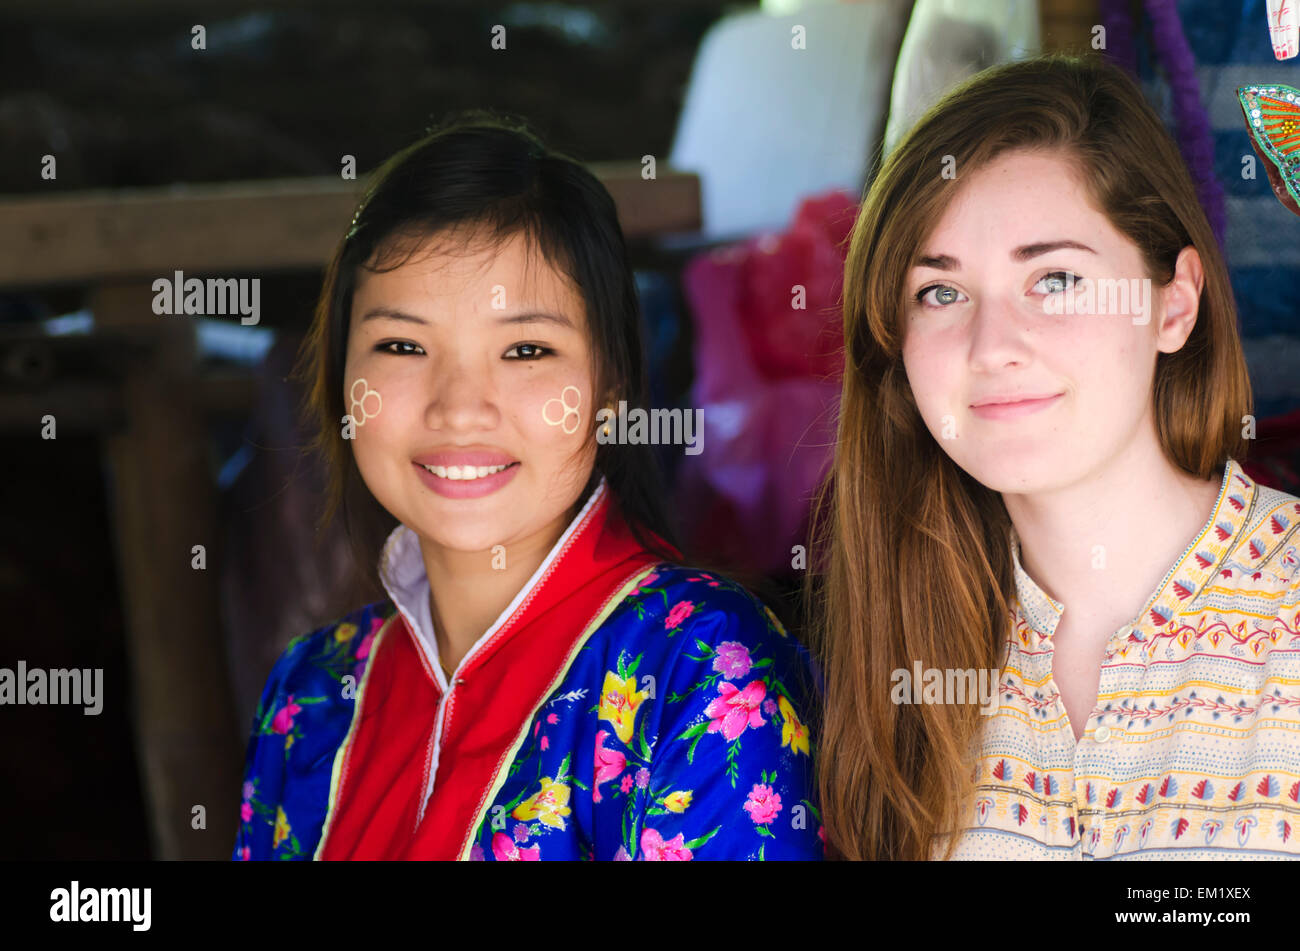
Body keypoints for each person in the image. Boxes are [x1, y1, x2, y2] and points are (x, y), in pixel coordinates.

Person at [233, 112, 822, 861]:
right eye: (403, 345)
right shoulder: (312, 691)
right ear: (343, 380)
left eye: (525, 349)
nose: (459, 405)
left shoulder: (701, 668)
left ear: (610, 386)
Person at [810, 54, 1300, 859]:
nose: (993, 346)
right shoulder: (888, 642)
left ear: (1173, 303)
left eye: (1056, 278)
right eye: (941, 292)